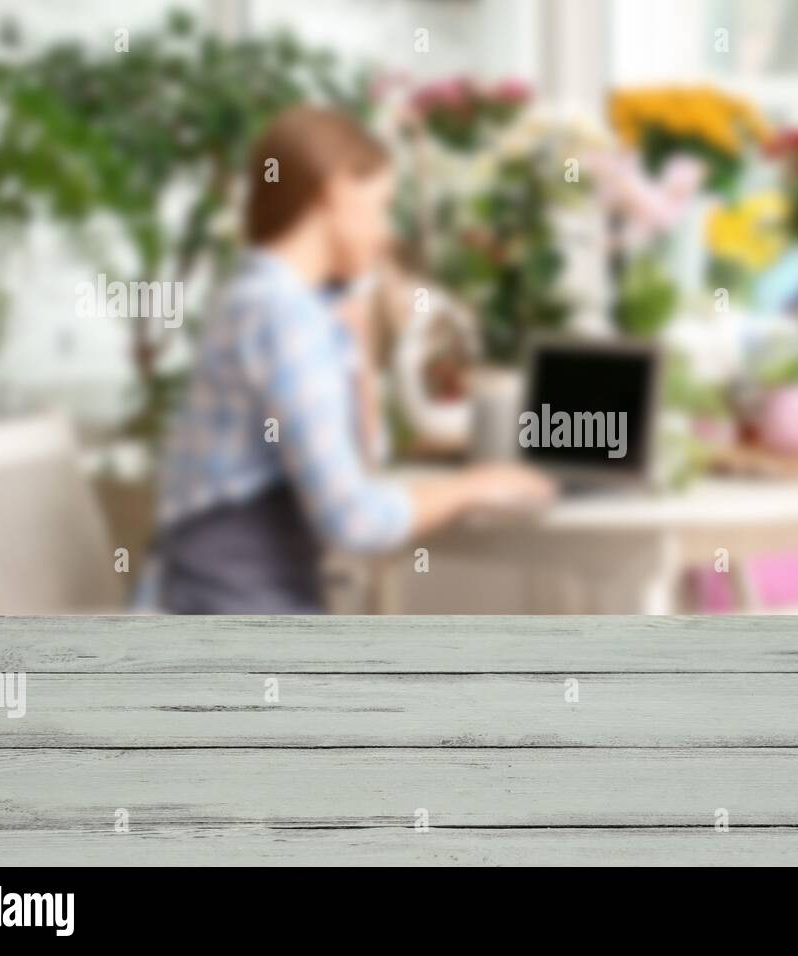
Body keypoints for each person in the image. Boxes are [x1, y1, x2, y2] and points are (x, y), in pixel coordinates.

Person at [155, 106, 553, 613]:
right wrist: (477, 486)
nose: (387, 232)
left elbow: (365, 461)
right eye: (382, 205)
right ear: (336, 191)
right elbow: (355, 521)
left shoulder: (282, 303)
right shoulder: (282, 314)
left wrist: (359, 334)